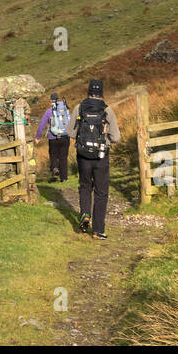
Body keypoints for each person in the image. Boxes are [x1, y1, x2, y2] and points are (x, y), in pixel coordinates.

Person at [72, 78, 120, 239]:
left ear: (89, 91)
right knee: (101, 192)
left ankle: (85, 214)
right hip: (101, 156)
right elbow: (116, 137)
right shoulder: (108, 111)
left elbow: (71, 133)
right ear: (101, 93)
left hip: (83, 156)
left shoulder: (79, 108)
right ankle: (98, 230)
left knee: (85, 186)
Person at [34, 92, 72, 181]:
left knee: (53, 155)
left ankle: (55, 168)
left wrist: (38, 137)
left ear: (51, 101)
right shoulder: (66, 110)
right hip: (65, 137)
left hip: (53, 138)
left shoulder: (49, 111)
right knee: (63, 157)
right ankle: (64, 178)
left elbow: (42, 124)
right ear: (58, 100)